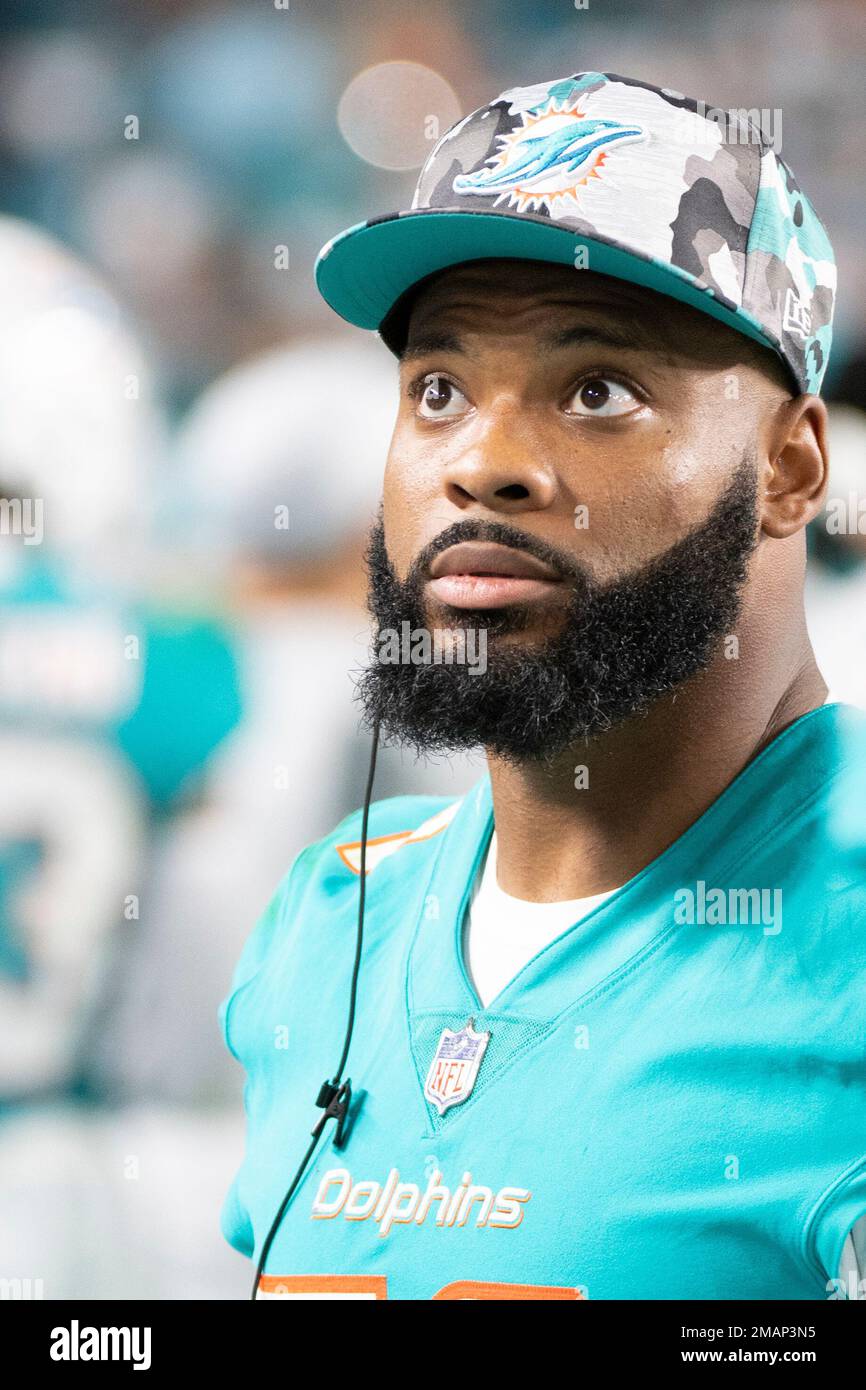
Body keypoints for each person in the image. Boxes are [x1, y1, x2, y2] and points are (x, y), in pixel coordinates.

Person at [218, 72, 865, 1301]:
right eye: (439, 390)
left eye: (596, 391)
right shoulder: (328, 920)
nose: (482, 464)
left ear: (788, 468)